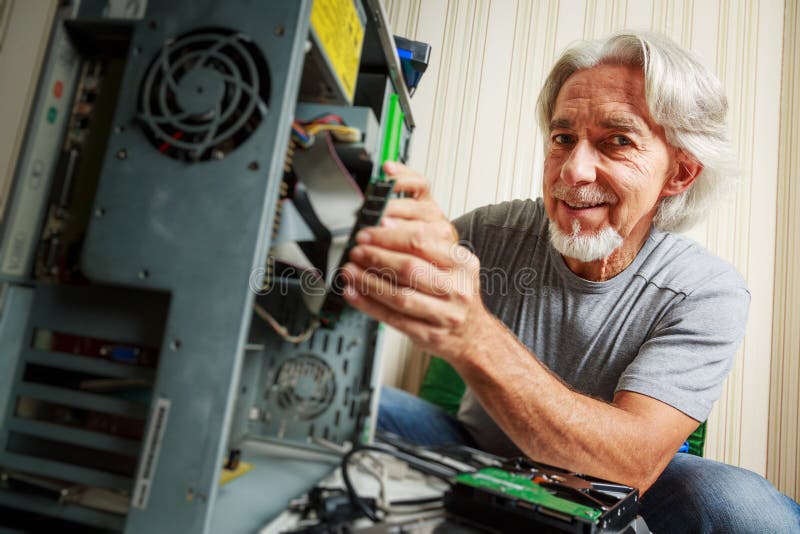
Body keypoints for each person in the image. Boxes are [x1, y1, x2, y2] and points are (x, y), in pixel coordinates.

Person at [339, 30, 800, 531]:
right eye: (562, 139)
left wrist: (472, 335)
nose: (574, 171)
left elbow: (632, 462)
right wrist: (377, 236)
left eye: (617, 141)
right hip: (479, 451)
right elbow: (361, 276)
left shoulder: (707, 291)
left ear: (680, 175)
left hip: (620, 488)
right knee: (357, 406)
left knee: (741, 504)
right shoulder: (490, 232)